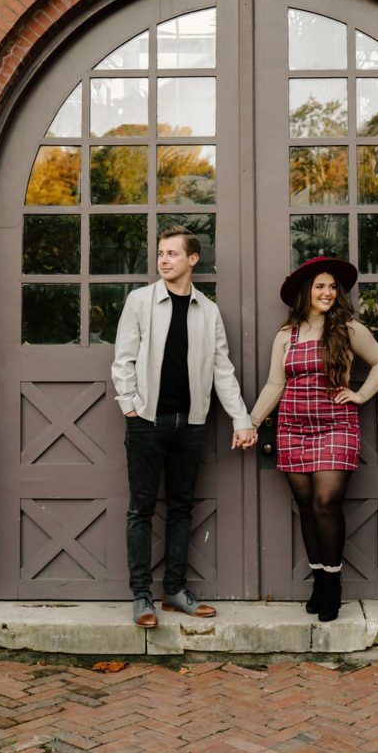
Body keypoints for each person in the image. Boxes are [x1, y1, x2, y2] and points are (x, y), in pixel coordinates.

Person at [112, 225, 257, 628]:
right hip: (146, 421)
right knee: (140, 509)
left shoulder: (208, 311)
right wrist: (130, 407)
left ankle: (174, 591)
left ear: (192, 259)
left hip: (190, 424)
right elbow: (123, 359)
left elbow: (222, 371)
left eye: (173, 253)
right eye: (161, 253)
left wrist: (242, 420)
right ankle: (142, 595)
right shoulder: (140, 301)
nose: (163, 259)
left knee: (180, 508)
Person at [250, 256, 378, 622]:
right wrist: (251, 422)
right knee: (307, 508)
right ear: (305, 293)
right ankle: (318, 583)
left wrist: (360, 395)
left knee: (327, 503)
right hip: (292, 429)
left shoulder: (348, 328)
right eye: (320, 287)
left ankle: (333, 584)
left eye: (332, 287)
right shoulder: (287, 334)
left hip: (336, 427)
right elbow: (274, 384)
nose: (327, 292)